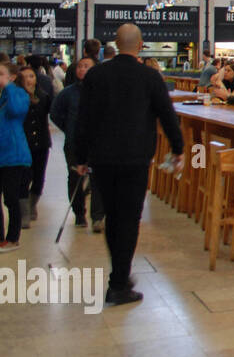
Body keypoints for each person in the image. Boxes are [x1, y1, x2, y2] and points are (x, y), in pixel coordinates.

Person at [74, 24, 183, 305]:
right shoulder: (149, 77)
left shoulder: (96, 75)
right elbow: (167, 116)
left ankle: (119, 277)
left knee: (113, 216)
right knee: (130, 219)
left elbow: (83, 119)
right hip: (135, 158)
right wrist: (179, 149)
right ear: (140, 45)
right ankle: (119, 281)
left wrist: (78, 157)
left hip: (103, 158)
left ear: (116, 43)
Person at [50, 56, 104, 231]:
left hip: (97, 144)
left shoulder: (103, 91)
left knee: (98, 180)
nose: (82, 69)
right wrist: (69, 128)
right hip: (74, 143)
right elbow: (55, 113)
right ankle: (79, 214)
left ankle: (97, 216)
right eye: (80, 66)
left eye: (86, 66)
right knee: (75, 178)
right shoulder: (68, 93)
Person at [0, 62, 31, 251]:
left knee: (11, 199)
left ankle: (13, 238)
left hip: (14, 155)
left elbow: (16, 111)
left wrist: (8, 87)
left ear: (11, 76)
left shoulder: (18, 94)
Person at [17, 66, 51, 230]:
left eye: (31, 76)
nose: (29, 80)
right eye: (24, 77)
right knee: (23, 178)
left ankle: (32, 205)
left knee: (39, 177)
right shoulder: (16, 98)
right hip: (23, 144)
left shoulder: (44, 97)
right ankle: (24, 213)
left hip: (41, 143)